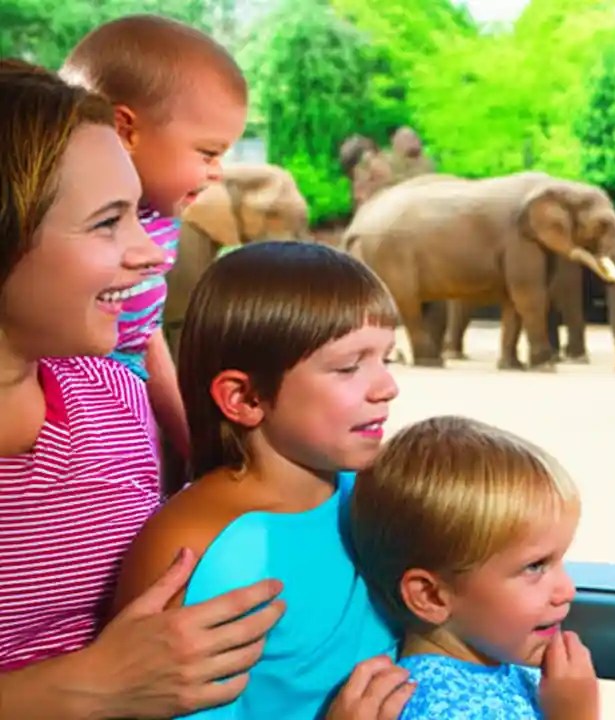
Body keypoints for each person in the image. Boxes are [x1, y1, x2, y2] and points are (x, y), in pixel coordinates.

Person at [0, 58, 286, 720]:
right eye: (107, 223)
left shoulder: (114, 398)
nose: (152, 254)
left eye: (138, 215)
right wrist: (83, 687)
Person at [111, 240, 415, 719]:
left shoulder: (370, 495)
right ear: (245, 397)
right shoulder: (198, 548)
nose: (387, 388)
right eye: (349, 367)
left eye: (386, 359)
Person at [59, 13, 252, 480]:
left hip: (131, 411)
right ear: (126, 130)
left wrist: (189, 440)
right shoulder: (58, 223)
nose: (218, 171)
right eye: (207, 153)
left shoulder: (161, 222)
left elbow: (144, 335)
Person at [350, 415, 600, 720]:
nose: (566, 590)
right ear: (431, 596)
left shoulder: (494, 663)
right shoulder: (446, 709)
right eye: (535, 567)